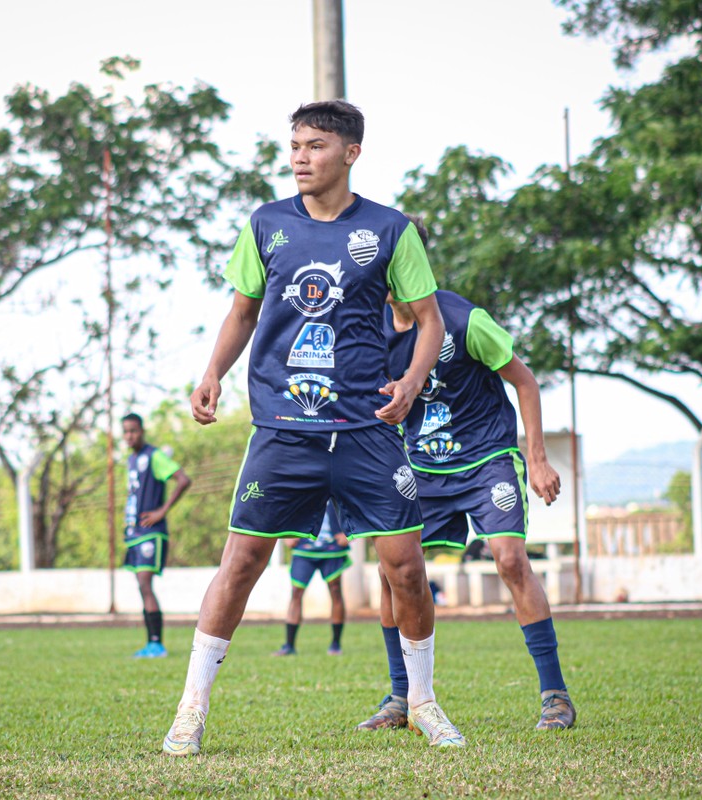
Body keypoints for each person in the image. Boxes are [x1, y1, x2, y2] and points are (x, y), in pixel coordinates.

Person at [162, 100, 465, 756]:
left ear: (351, 152)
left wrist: (411, 383)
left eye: (316, 146)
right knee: (241, 562)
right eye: (295, 145)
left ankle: (422, 702)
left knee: (405, 568)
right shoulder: (266, 224)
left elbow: (430, 319)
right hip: (282, 428)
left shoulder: (388, 230)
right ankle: (190, 710)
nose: (301, 157)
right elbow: (242, 311)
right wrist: (213, 370)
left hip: (366, 428)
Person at [356, 215, 576, 732]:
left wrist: (537, 458)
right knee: (394, 572)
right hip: (420, 469)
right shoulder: (371, 328)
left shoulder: (463, 319)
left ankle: (555, 695)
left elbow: (524, 382)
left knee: (510, 559)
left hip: (485, 459)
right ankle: (399, 697)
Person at [122, 412, 192, 658]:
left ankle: (156, 643)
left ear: (142, 431)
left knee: (144, 583)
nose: (129, 436)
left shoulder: (154, 456)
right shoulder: (132, 460)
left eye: (133, 431)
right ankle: (151, 643)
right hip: (135, 532)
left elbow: (183, 480)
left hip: (151, 533)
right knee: (142, 586)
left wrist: (162, 511)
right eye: (126, 432)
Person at [272, 500, 350, 656]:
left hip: (332, 550)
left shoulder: (339, 482)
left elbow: (353, 504)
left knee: (335, 591)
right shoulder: (303, 484)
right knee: (296, 592)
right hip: (304, 549)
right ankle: (289, 645)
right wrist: (287, 534)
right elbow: (287, 506)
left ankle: (335, 644)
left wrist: (349, 533)